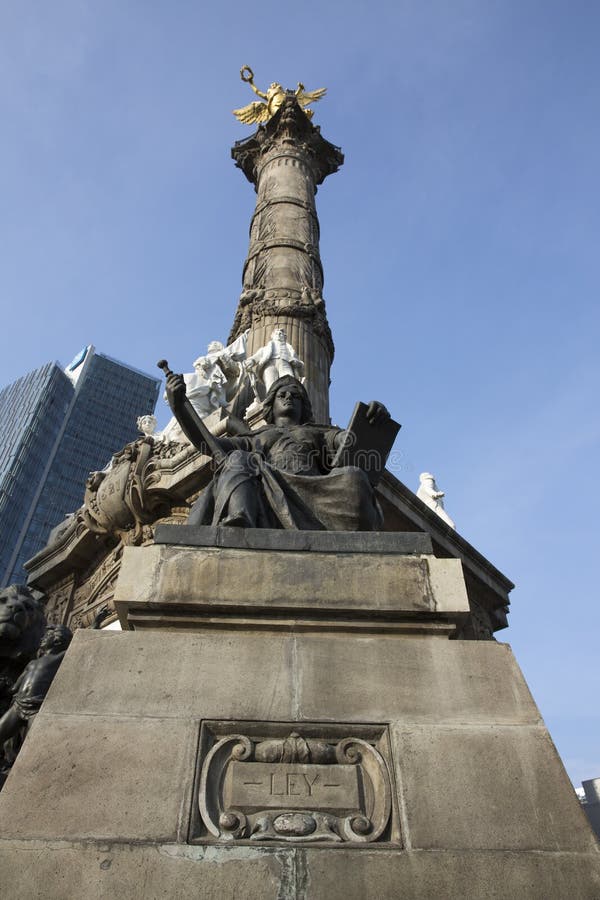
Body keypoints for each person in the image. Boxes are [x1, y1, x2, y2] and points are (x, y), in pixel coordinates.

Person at [166, 373, 389, 531]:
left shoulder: (319, 432)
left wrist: (373, 420)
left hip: (315, 490)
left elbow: (348, 441)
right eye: (282, 394)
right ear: (270, 404)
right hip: (271, 488)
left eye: (296, 395)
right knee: (237, 459)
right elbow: (208, 444)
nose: (289, 397)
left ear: (305, 407)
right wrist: (179, 408)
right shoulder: (256, 437)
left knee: (354, 476)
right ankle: (239, 518)